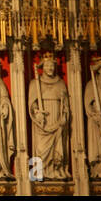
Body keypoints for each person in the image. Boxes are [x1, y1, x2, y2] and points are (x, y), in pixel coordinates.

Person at [27, 51, 70, 179]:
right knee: (40, 148)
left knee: (58, 148)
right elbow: (32, 104)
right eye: (47, 65)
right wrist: (36, 112)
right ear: (42, 67)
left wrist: (64, 116)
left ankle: (58, 170)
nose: (50, 68)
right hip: (42, 121)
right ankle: (38, 173)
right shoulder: (35, 83)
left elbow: (65, 105)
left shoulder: (60, 83)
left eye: (52, 65)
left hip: (56, 119)